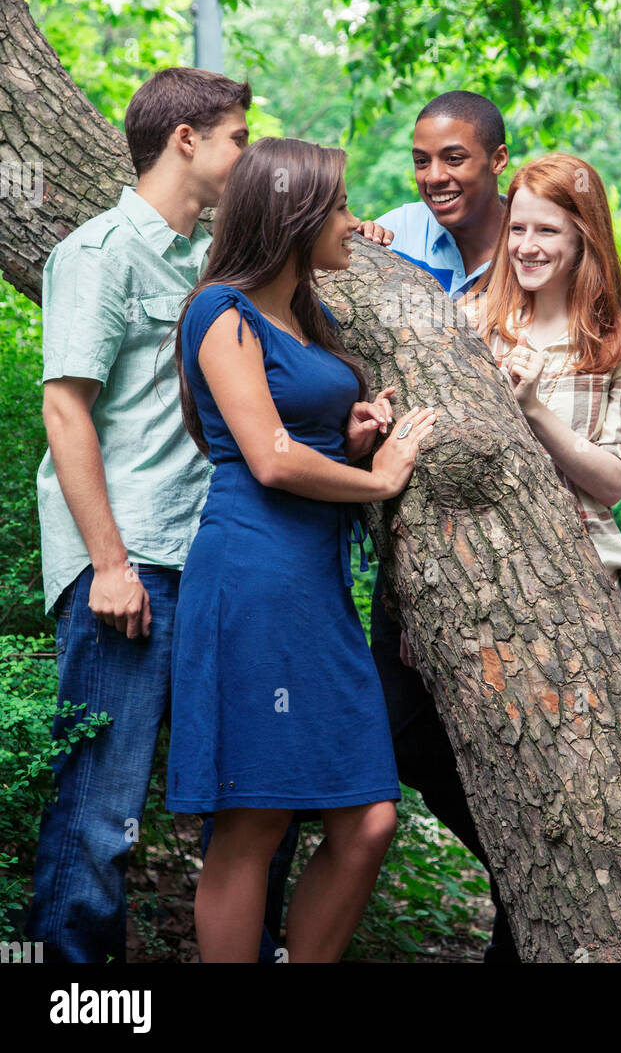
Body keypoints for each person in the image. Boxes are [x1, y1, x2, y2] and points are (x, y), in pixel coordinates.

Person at [168, 136, 437, 963]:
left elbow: (301, 440)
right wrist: (382, 477)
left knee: (368, 817)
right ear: (294, 215)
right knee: (254, 818)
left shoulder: (299, 315)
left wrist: (351, 441)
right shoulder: (222, 309)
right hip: (252, 575)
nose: (356, 223)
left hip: (312, 585)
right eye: (344, 206)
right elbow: (272, 458)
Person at [26, 67, 251, 962]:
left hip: (214, 561)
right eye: (238, 135)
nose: (248, 151)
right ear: (187, 139)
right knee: (99, 811)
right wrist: (110, 564)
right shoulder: (98, 253)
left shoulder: (214, 259)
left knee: (247, 797)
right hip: (130, 568)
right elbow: (65, 411)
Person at [359, 89, 520, 961]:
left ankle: (518, 924)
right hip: (416, 544)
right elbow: (305, 232)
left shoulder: (535, 241)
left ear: (497, 160)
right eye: (422, 159)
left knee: (516, 735)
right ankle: (518, 871)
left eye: (453, 158)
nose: (433, 177)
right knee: (399, 727)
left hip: (516, 550)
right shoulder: (396, 238)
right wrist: (356, 237)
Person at [463, 153, 621, 602]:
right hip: (480, 574)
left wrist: (533, 410)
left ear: (583, 238)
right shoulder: (474, 323)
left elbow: (612, 483)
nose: (526, 246)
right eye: (517, 229)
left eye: (547, 230)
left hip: (583, 577)